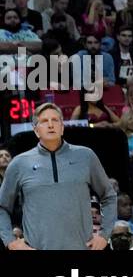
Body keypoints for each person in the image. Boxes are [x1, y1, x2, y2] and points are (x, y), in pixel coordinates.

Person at [0, 103, 113, 250]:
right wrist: (10, 241)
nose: (50, 125)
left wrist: (104, 235)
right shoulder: (19, 163)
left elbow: (109, 196)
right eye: (44, 121)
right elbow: (2, 207)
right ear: (36, 130)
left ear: (62, 127)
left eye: (55, 120)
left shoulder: (86, 156)